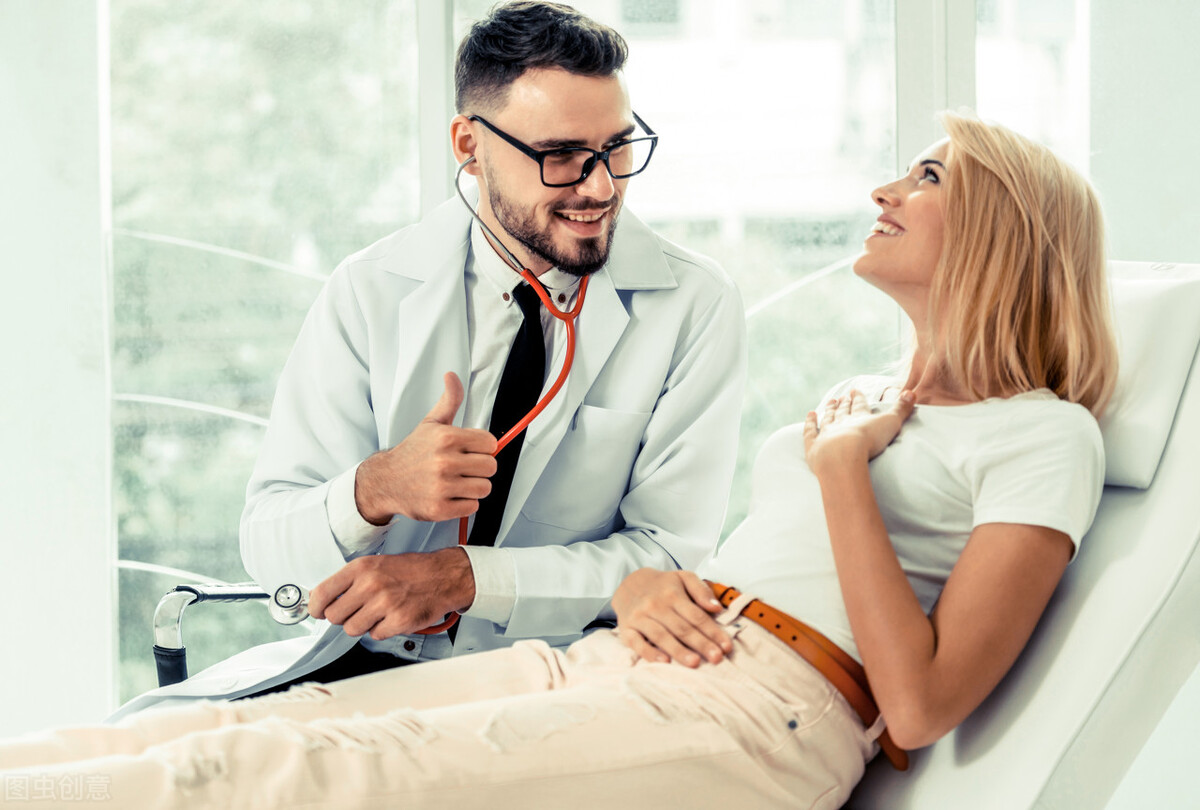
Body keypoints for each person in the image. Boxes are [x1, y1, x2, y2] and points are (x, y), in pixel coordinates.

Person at [0, 113, 1118, 808]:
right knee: (254, 728)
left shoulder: (1043, 432)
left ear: (1007, 232)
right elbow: (722, 563)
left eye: (929, 176)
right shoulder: (866, 399)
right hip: (634, 658)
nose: (885, 191)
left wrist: (837, 471)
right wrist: (642, 590)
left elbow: (916, 709)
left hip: (767, 718)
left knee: (300, 780)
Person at [108, 2, 747, 719]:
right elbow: (270, 547)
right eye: (561, 156)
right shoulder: (371, 290)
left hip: (554, 675)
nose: (601, 186)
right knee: (138, 741)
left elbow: (667, 556)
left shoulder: (693, 303)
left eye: (618, 148)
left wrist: (463, 577)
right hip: (361, 671)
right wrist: (375, 489)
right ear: (469, 145)